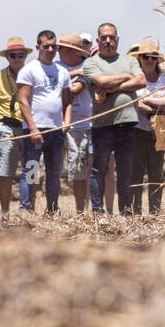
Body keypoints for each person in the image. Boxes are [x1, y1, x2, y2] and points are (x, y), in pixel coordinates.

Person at [83, 24, 143, 215]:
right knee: (99, 168)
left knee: (126, 170)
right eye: (104, 38)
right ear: (98, 41)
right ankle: (98, 212)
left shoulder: (129, 60)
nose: (108, 41)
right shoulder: (91, 63)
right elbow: (100, 82)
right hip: (103, 124)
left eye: (111, 37)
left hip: (128, 121)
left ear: (117, 40)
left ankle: (126, 211)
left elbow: (141, 81)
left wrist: (114, 87)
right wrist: (126, 77)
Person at [17, 30, 73, 214]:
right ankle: (27, 209)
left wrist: (67, 122)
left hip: (56, 131)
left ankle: (52, 210)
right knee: (32, 171)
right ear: (38, 48)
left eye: (53, 46)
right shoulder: (29, 70)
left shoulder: (63, 71)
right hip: (35, 130)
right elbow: (23, 100)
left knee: (54, 173)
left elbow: (67, 102)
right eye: (46, 46)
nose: (50, 49)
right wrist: (33, 129)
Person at [0, 37, 30, 219]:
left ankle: (28, 208)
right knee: (5, 173)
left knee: (32, 169)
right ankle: (5, 213)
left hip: (29, 127)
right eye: (13, 55)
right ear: (7, 57)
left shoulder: (32, 73)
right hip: (6, 126)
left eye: (21, 55)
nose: (17, 58)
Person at [131, 39, 165, 215]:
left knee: (156, 174)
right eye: (145, 56)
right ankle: (135, 210)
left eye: (153, 56)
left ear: (157, 59)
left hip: (160, 130)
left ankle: (155, 211)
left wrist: (147, 100)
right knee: (136, 172)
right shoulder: (136, 77)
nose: (149, 60)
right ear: (139, 58)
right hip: (138, 130)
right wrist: (157, 106)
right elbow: (136, 104)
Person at [57, 33, 94, 213]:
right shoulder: (56, 67)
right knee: (53, 168)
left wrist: (62, 79)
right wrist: (72, 74)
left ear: (71, 50)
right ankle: (49, 207)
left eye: (60, 48)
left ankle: (80, 210)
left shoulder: (87, 67)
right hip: (55, 124)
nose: (56, 51)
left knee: (80, 169)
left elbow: (74, 89)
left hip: (80, 124)